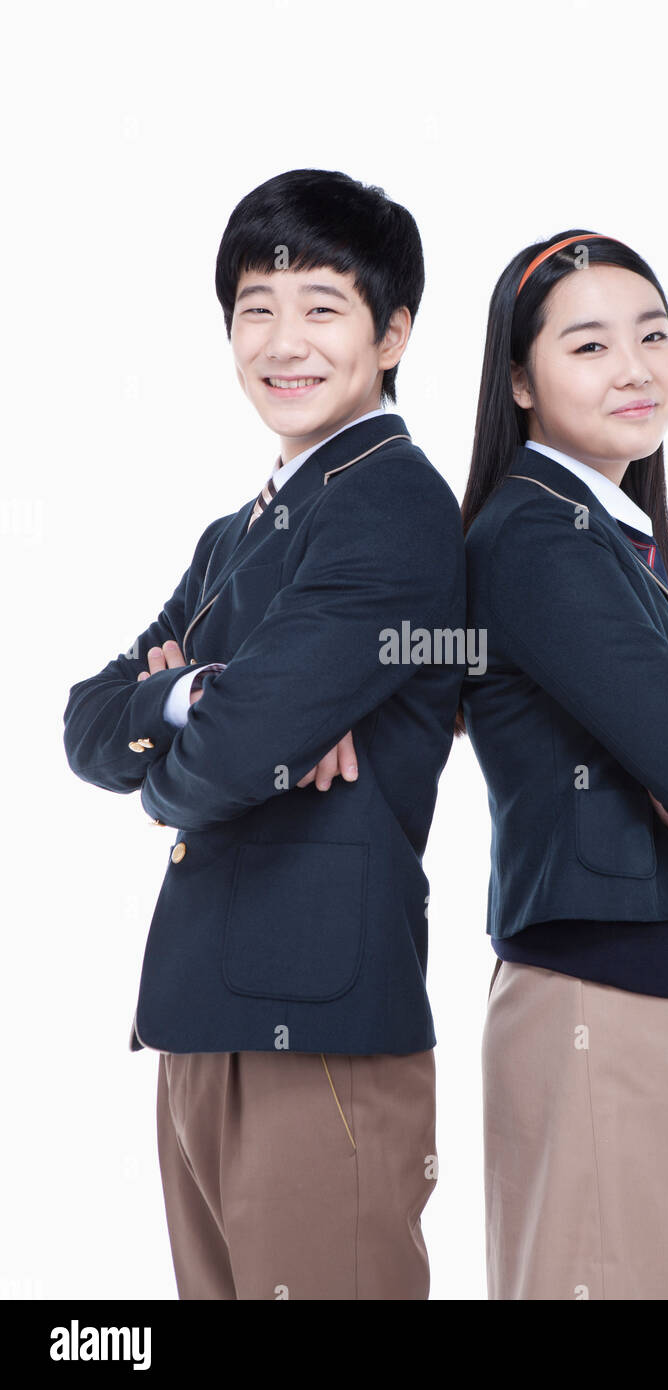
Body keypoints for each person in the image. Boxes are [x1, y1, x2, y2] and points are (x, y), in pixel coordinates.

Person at [62, 168, 465, 1300]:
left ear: (390, 334)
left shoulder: (390, 500)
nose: (282, 343)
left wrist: (190, 742)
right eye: (255, 310)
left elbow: (236, 755)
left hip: (321, 1040)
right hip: (202, 1019)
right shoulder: (233, 530)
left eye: (321, 309)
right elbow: (86, 721)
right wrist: (187, 697)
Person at [459, 229, 668, 1300]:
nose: (635, 367)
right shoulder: (539, 539)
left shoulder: (601, 528)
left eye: (651, 333)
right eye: (588, 345)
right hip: (606, 1001)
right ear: (518, 378)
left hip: (662, 986)